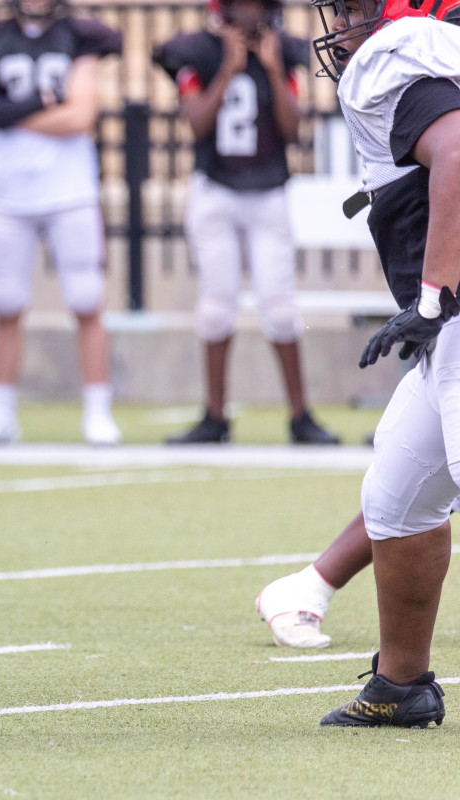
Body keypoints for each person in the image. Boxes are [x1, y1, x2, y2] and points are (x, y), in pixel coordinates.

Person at [290, 0, 460, 728]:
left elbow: (456, 152)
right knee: (398, 494)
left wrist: (432, 298)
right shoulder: (434, 46)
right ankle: (402, 685)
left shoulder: (400, 52)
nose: (344, 24)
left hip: (454, 307)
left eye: (357, 5)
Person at [155, 0, 340, 446]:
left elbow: (293, 129)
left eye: (258, 4)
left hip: (269, 191)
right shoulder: (196, 51)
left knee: (280, 307)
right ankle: (214, 416)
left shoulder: (283, 51)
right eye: (242, 4)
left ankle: (300, 416)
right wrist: (230, 69)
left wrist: (274, 71)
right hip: (215, 189)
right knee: (216, 306)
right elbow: (196, 124)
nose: (251, 14)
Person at [0, 0, 123, 448]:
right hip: (11, 191)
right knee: (7, 304)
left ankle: (97, 409)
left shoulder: (81, 36)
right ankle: (1, 414)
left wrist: (10, 112)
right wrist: (44, 103)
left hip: (70, 189)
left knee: (87, 298)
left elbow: (81, 117)